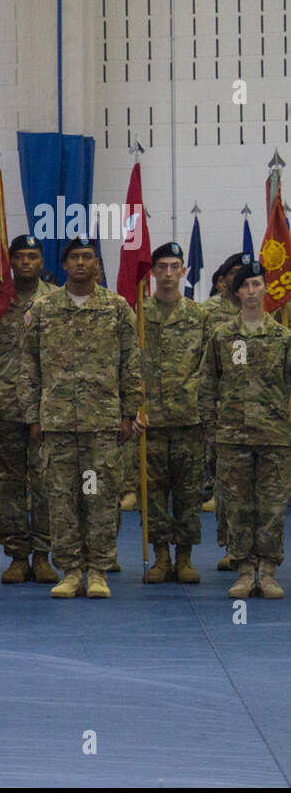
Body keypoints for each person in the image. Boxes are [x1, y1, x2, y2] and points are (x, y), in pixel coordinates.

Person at [21, 236, 144, 598]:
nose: (80, 263)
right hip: (57, 425)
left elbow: (131, 364)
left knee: (99, 497)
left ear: (98, 265)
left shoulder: (118, 308)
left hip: (102, 425)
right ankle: (71, 571)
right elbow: (29, 366)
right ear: (63, 265)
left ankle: (99, 571)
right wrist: (33, 415)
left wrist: (128, 413)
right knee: (61, 499)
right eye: (73, 257)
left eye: (87, 257)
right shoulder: (43, 309)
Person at [201, 261, 288, 600]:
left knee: (271, 506)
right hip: (233, 436)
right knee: (237, 505)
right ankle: (244, 570)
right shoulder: (222, 336)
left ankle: (267, 571)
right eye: (245, 285)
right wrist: (211, 429)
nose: (252, 291)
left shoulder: (283, 337)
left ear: (266, 288)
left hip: (274, 436)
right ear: (235, 292)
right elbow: (208, 384)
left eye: (257, 284)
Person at [142, 242, 210, 584]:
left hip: (188, 421)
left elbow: (210, 369)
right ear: (152, 272)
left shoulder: (200, 317)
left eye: (174, 267)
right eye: (162, 267)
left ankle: (185, 558)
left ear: (184, 271)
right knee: (153, 495)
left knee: (187, 493)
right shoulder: (139, 315)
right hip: (150, 422)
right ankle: (160, 557)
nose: (168, 274)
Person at [0, 236, 58, 584]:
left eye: (33, 256)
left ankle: (43, 554)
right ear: (11, 262)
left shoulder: (55, 301)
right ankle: (17, 555)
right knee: (10, 485)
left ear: (42, 261)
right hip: (5, 406)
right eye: (19, 257)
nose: (26, 262)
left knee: (46, 482)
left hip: (47, 409)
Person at [203, 252, 250, 570]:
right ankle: (233, 546)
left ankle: (260, 551)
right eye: (234, 273)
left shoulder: (270, 310)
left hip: (264, 411)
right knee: (228, 484)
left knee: (261, 487)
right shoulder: (207, 313)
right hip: (224, 410)